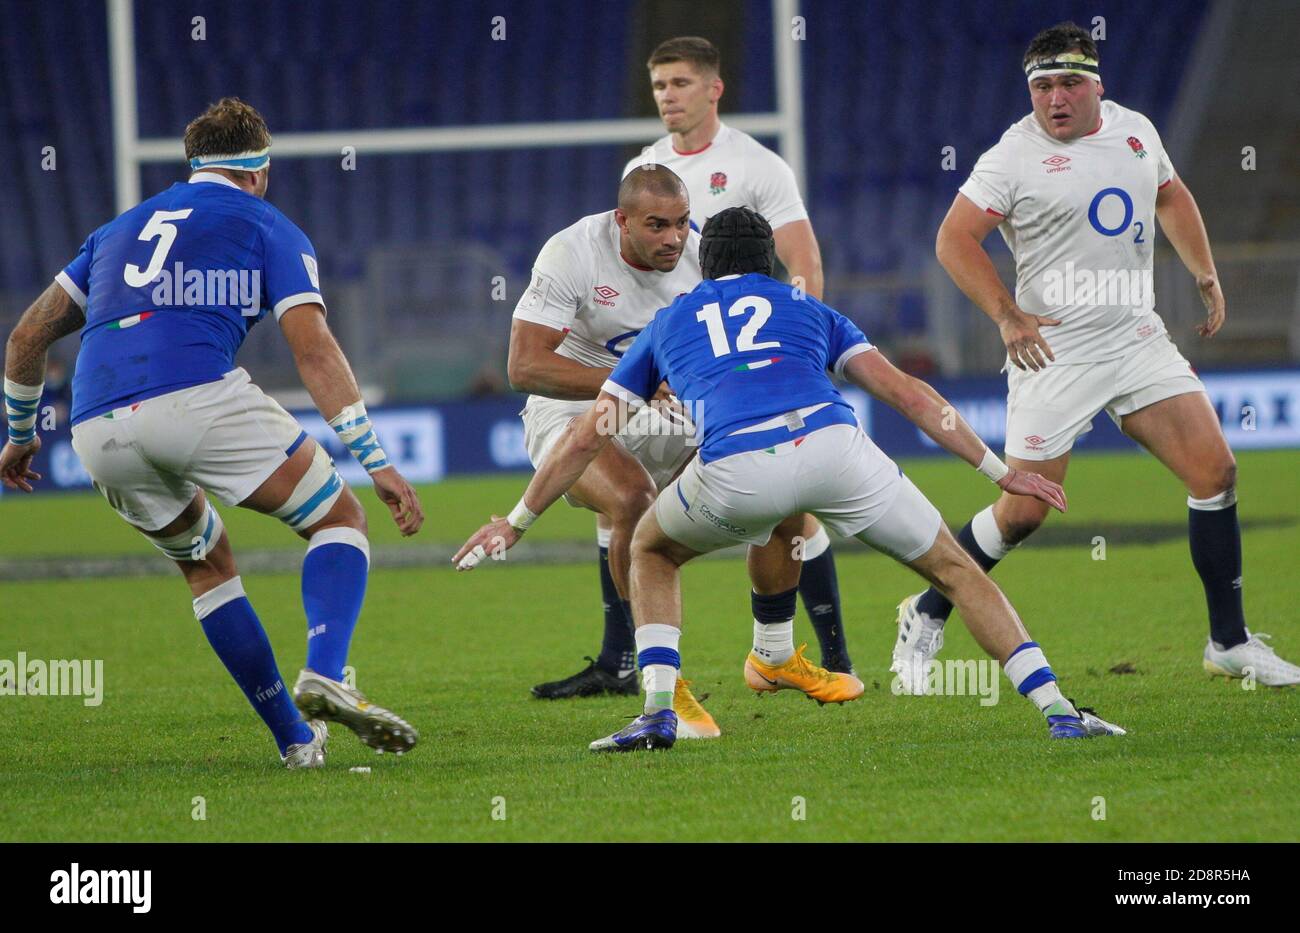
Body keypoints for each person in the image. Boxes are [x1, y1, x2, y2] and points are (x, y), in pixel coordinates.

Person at [456, 207, 1125, 751]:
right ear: (771, 259)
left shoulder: (669, 321)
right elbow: (910, 395)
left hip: (738, 467)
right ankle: (1059, 707)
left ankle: (659, 709)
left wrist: (516, 520)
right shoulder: (811, 309)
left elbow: (587, 432)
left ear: (703, 259)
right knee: (956, 569)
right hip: (838, 452)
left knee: (651, 548)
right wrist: (1004, 472)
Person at [0, 98, 425, 768]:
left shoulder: (117, 230)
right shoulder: (266, 222)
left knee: (206, 566)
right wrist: (377, 462)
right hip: (192, 393)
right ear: (257, 170)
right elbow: (313, 349)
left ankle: (295, 742)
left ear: (194, 164)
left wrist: (20, 434)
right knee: (338, 519)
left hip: (93, 424)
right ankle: (325, 671)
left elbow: (26, 336)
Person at [891, 22, 1300, 690]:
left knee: (1215, 471)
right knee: (1023, 510)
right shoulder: (1010, 157)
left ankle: (1229, 641)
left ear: (1097, 85)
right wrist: (1007, 315)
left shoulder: (1135, 131)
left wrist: (1203, 271)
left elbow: (1170, 193)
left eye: (1068, 84)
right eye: (1042, 86)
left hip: (1135, 337)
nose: (1055, 98)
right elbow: (954, 239)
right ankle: (928, 606)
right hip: (1054, 351)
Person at [623, 35, 854, 675]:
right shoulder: (644, 169)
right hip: (673, 368)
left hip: (740, 370)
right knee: (626, 497)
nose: (667, 96)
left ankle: (826, 655)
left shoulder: (756, 167)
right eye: (659, 85)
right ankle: (625, 661)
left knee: (788, 508)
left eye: (680, 83)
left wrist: (797, 352)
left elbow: (802, 262)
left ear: (714, 88)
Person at [505, 164, 720, 737]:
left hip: (658, 404)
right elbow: (525, 366)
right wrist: (630, 383)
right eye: (657, 226)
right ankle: (657, 678)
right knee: (630, 499)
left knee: (772, 476)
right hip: (568, 408)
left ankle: (781, 655)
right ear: (621, 221)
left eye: (681, 223)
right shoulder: (572, 252)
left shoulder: (701, 260)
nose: (673, 238)